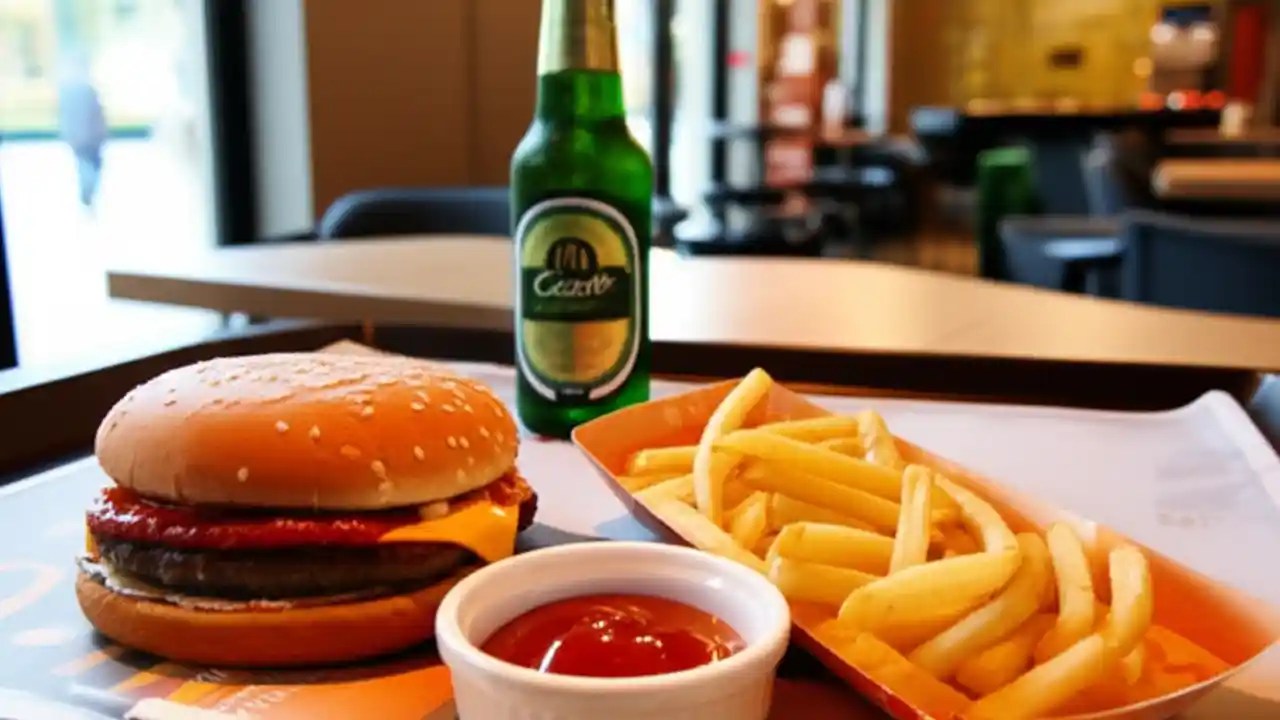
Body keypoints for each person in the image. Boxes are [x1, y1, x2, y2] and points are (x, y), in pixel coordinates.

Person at [57, 56, 107, 208]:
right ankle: (87, 193)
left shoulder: (79, 90)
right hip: (86, 137)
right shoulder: (80, 90)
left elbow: (96, 114)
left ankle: (87, 193)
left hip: (86, 137)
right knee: (88, 165)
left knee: (89, 165)